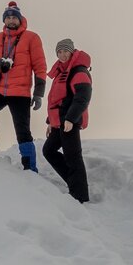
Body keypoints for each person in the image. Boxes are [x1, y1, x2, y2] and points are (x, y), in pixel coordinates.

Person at [0, 1, 47, 170]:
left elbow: (40, 66)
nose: (11, 20)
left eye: (14, 17)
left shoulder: (32, 37)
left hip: (21, 92)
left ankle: (30, 168)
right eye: (7, 17)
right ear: (4, 20)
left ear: (20, 19)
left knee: (22, 131)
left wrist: (38, 93)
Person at [43, 38, 93, 203]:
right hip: (59, 122)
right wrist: (50, 121)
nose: (62, 54)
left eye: (65, 51)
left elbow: (82, 98)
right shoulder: (60, 72)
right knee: (48, 150)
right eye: (59, 51)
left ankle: (80, 197)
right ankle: (74, 183)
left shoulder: (78, 71)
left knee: (73, 157)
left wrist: (71, 119)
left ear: (72, 52)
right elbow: (55, 99)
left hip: (70, 121)